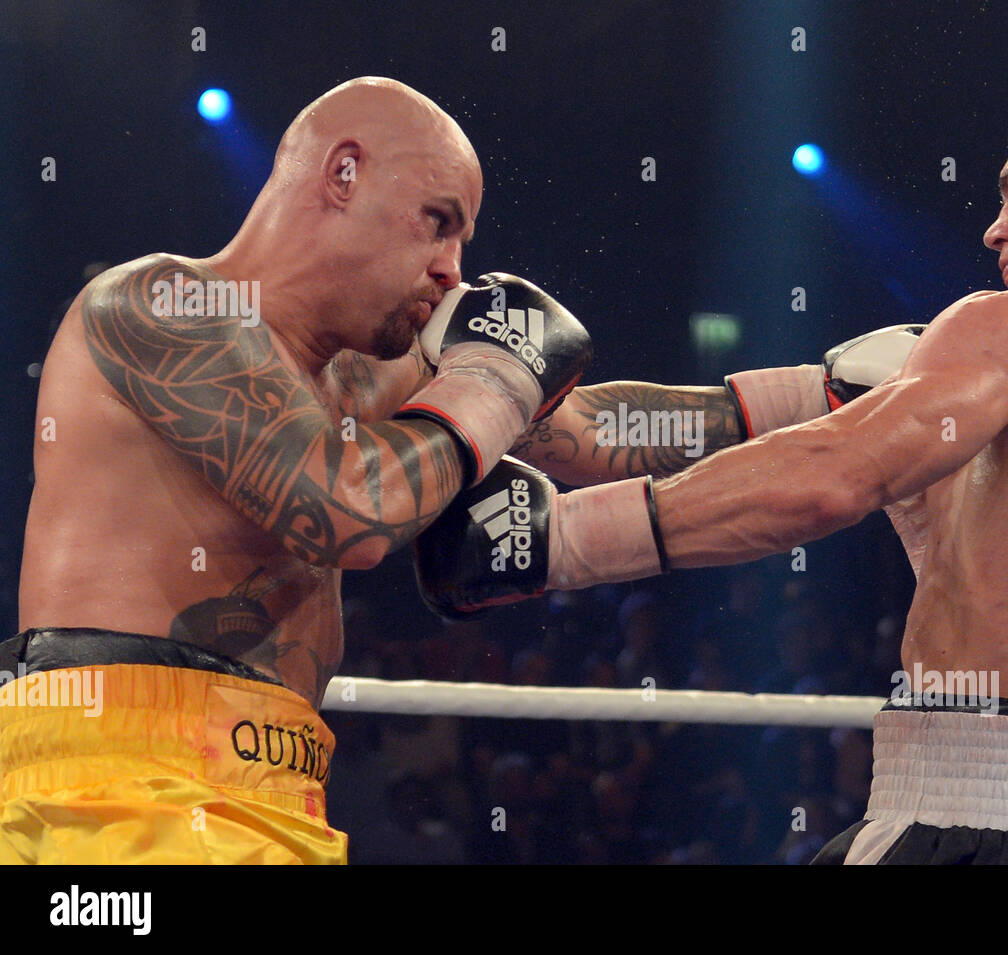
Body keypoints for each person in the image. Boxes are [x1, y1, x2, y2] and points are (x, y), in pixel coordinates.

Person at [3, 75, 865, 864]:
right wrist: (489, 379)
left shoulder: (370, 375)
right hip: (115, 780)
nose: (455, 267)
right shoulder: (162, 308)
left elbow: (590, 429)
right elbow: (346, 509)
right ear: (343, 174)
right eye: (439, 220)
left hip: (280, 779)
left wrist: (825, 394)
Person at [425, 82, 1008, 864]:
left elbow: (830, 475)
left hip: (974, 812)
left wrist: (558, 539)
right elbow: (707, 424)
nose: (993, 227)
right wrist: (517, 406)